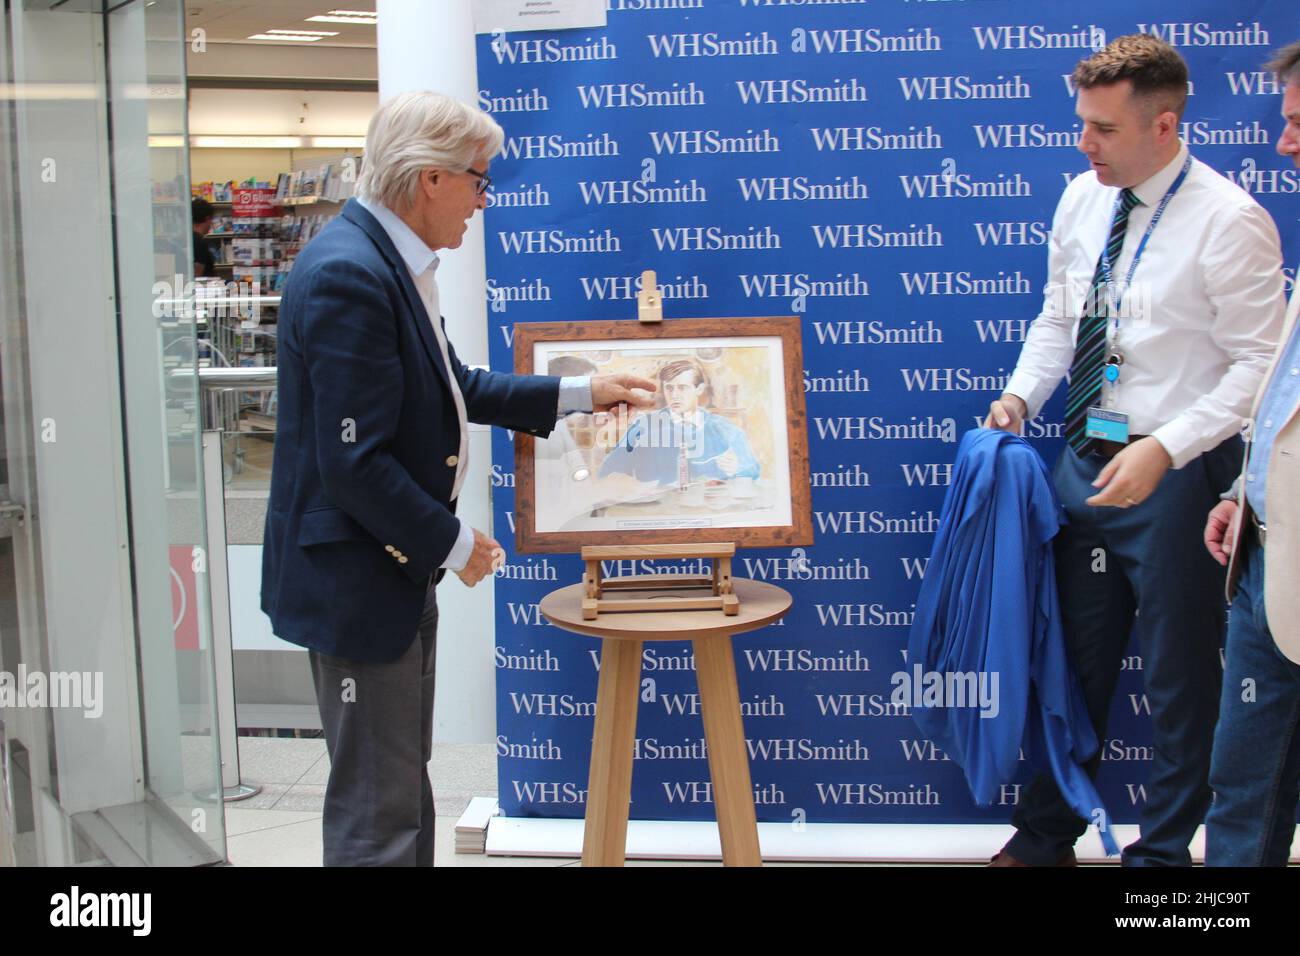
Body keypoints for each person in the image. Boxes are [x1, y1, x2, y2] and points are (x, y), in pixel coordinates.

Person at [260, 90, 654, 866]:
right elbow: (354, 463)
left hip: (388, 575)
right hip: (358, 584)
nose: (483, 199)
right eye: (478, 179)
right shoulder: (351, 275)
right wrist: (454, 543)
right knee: (378, 812)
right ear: (429, 179)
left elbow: (454, 386)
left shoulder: (386, 262)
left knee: (400, 789)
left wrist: (580, 392)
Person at [983, 35, 1285, 866]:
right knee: (1071, 663)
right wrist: (1020, 397)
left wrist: (1170, 448)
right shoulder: (1083, 197)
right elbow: (1060, 318)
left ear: (1165, 126)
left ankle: (1162, 855)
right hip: (1087, 454)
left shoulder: (1230, 220)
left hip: (1179, 475)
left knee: (1179, 679)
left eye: (1105, 129)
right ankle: (1046, 836)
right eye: (1082, 122)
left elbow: (1262, 370)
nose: (1085, 143)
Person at [1202, 40, 1300, 867]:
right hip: (1267, 564)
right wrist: (1246, 490)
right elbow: (1286, 397)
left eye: (1299, 123)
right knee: (1241, 796)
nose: (1283, 142)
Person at [599, 358, 759, 485]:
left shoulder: (723, 428)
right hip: (658, 511)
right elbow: (608, 471)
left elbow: (753, 470)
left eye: (682, 387)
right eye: (669, 388)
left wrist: (737, 468)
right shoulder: (644, 427)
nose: (674, 395)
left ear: (699, 389)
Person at [191, 197, 216, 278]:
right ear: (207, 219)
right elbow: (197, 275)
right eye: (211, 220)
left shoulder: (189, 238)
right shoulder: (200, 243)